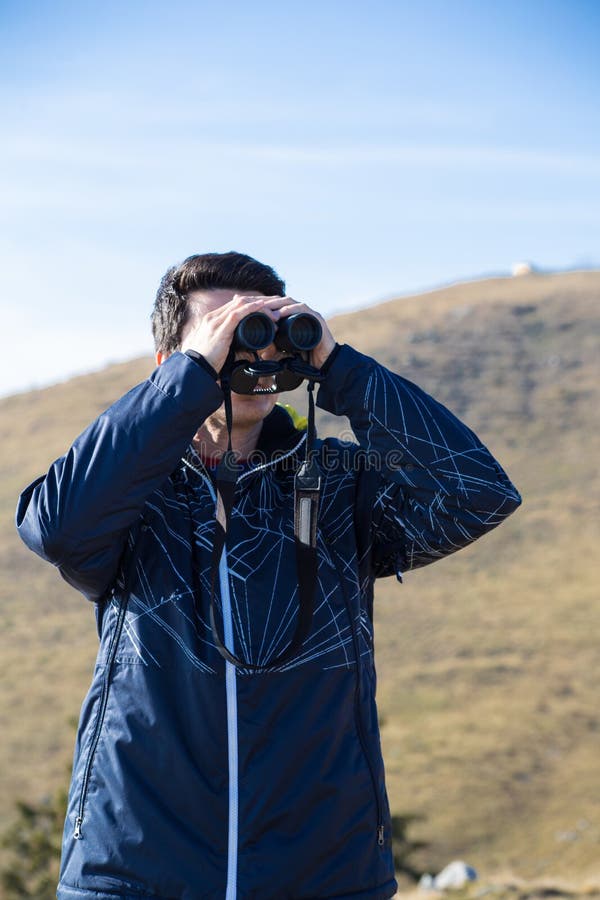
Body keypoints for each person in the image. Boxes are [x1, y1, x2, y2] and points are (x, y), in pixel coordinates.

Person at [16, 251, 522, 900]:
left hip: (322, 872)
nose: (249, 357)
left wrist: (343, 370)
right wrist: (191, 379)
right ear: (173, 362)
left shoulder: (338, 488)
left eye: (261, 333)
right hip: (136, 870)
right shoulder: (131, 497)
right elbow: (54, 526)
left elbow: (478, 492)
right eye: (225, 337)